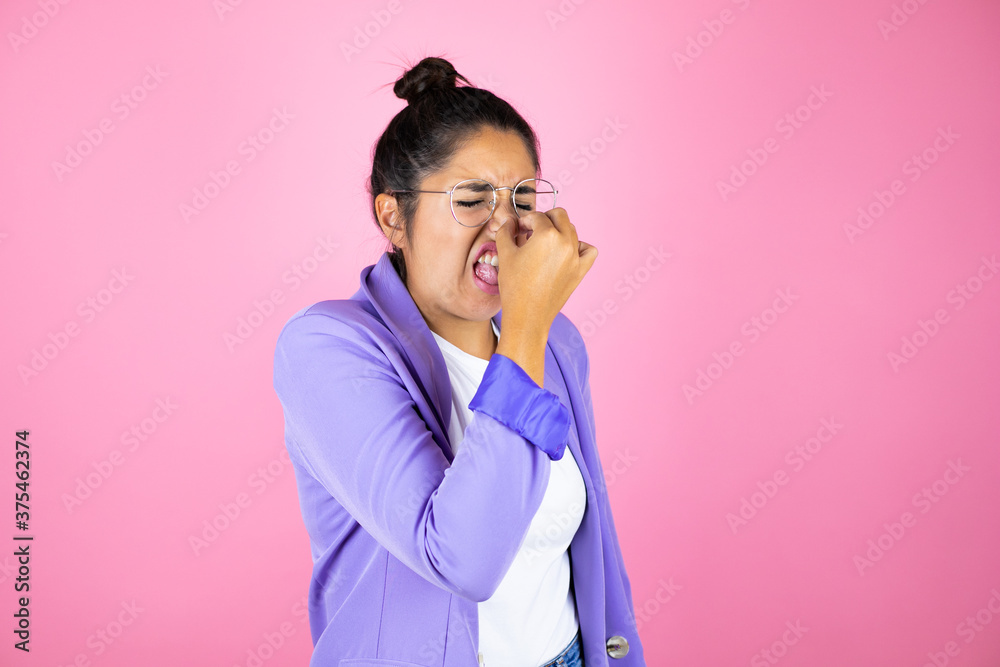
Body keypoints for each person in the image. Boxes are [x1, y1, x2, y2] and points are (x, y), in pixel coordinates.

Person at [273, 56, 645, 667]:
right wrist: (526, 323)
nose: (506, 228)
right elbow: (464, 559)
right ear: (393, 217)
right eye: (471, 200)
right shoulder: (328, 349)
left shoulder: (558, 342)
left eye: (522, 197)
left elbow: (590, 555)